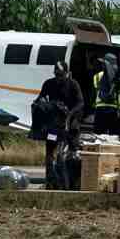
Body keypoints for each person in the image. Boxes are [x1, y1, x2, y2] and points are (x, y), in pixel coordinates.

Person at [36, 60, 84, 188]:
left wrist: (69, 115)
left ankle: (70, 184)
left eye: (61, 75)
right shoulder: (48, 84)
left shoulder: (73, 84)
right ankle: (51, 182)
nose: (58, 78)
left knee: (71, 155)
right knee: (50, 154)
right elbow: (39, 99)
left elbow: (80, 103)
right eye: (56, 75)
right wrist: (43, 104)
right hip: (54, 126)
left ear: (67, 73)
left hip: (70, 125)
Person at [92, 53, 120, 136]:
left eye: (103, 63)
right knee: (114, 139)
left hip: (101, 110)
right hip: (116, 110)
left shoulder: (97, 76)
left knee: (98, 138)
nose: (102, 65)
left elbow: (97, 91)